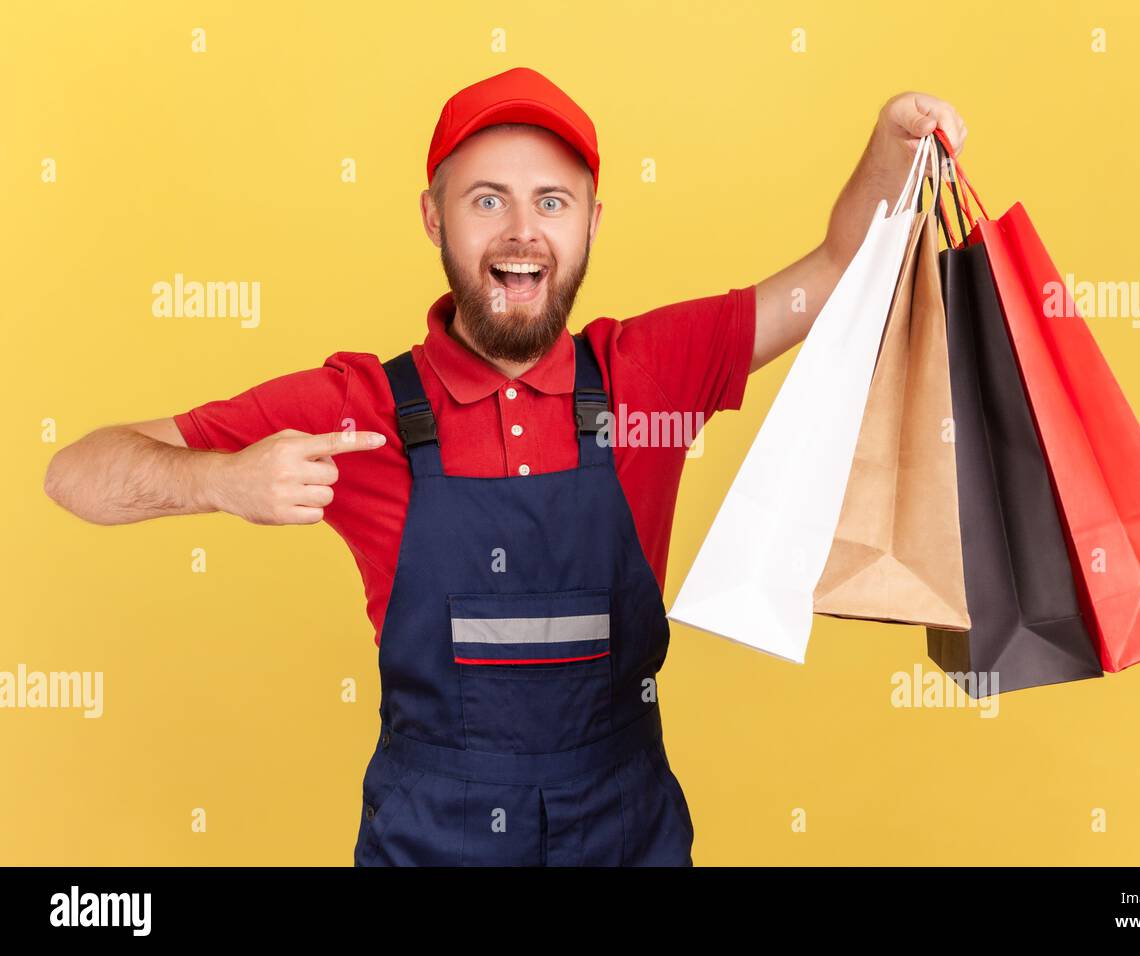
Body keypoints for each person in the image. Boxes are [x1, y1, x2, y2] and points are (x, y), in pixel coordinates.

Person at [43, 66, 965, 866]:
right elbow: (75, 475)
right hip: (429, 829)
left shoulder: (654, 370)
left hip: (624, 825)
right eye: (487, 199)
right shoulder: (355, 407)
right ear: (432, 216)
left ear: (593, 222)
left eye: (550, 201)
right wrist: (223, 480)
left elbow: (847, 263)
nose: (521, 232)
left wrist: (894, 137)